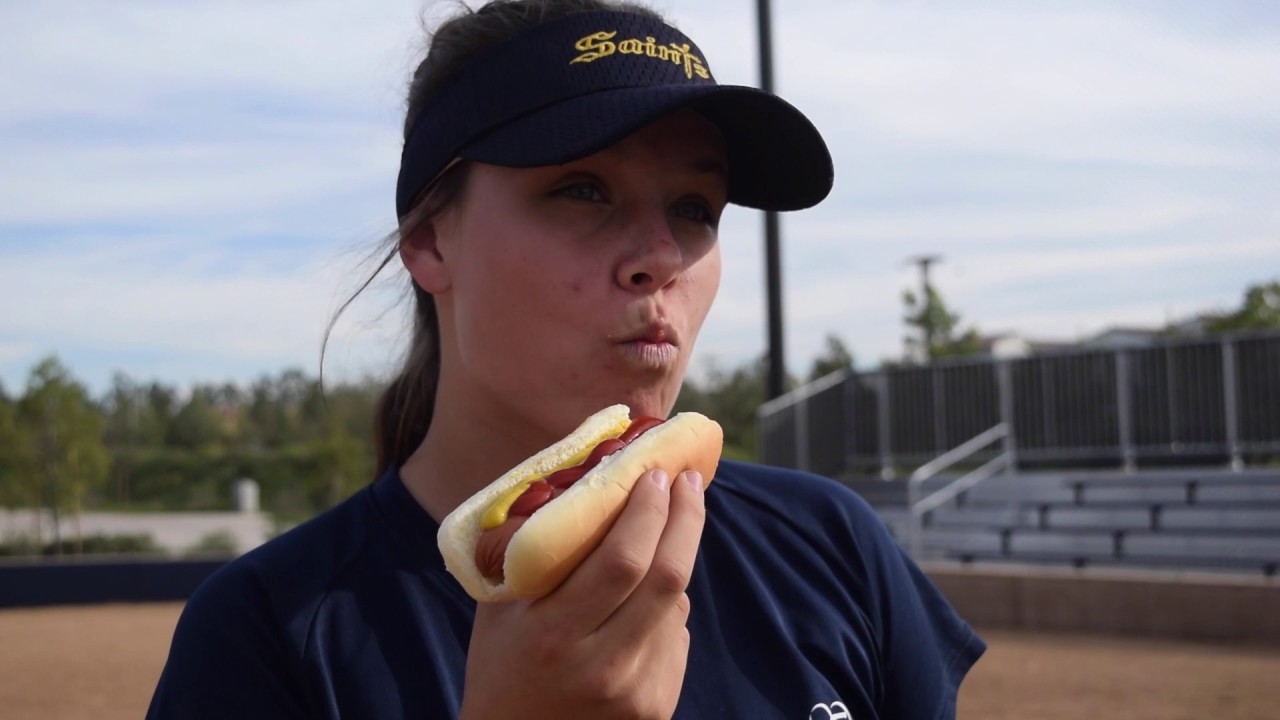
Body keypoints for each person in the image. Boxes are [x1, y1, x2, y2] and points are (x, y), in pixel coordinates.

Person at [147, 1, 984, 718]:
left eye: (696, 206)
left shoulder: (829, 544)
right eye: (583, 189)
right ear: (431, 241)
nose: (662, 256)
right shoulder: (269, 633)